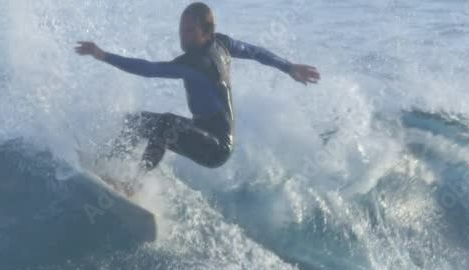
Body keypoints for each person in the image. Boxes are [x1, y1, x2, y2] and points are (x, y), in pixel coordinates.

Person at [75, 2, 319, 184]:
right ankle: (102, 163)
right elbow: (256, 52)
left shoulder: (196, 63)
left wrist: (103, 55)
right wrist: (287, 67)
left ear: (206, 31)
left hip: (217, 147)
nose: (183, 36)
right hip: (202, 132)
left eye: (190, 31)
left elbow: (149, 69)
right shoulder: (222, 43)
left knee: (166, 124)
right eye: (182, 30)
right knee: (135, 121)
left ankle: (134, 183)